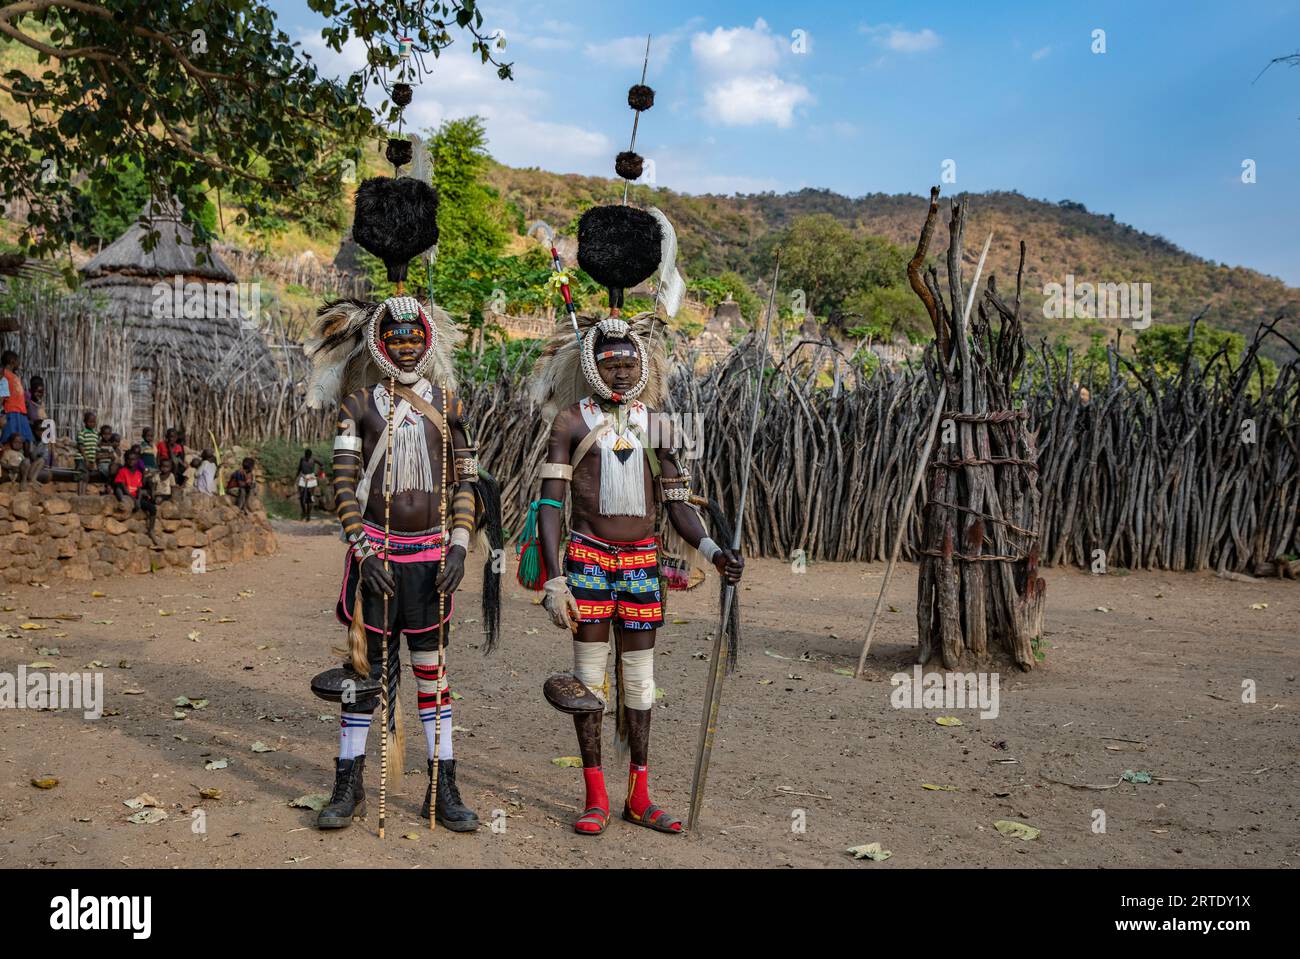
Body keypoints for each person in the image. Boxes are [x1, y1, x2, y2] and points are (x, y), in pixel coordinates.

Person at [521, 174, 740, 836]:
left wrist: (710, 549)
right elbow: (552, 505)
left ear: (642, 364)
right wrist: (556, 575)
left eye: (629, 361)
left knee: (640, 682)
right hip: (587, 559)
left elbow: (677, 504)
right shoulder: (568, 421)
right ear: (591, 362)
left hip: (643, 561)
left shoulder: (660, 422)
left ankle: (639, 794)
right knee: (590, 676)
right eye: (610, 360)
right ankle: (594, 794)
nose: (620, 369)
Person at [303, 293, 502, 833]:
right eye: (397, 337)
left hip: (432, 558)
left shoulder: (450, 403)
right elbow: (343, 484)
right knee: (363, 673)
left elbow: (466, 482)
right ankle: (349, 787)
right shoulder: (359, 405)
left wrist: (460, 545)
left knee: (431, 675)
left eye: (417, 337)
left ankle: (444, 789)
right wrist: (363, 553)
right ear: (381, 342)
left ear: (428, 341)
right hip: (375, 555)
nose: (408, 345)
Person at [113, 448, 157, 541]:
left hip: (135, 496)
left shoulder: (138, 473)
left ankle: (151, 530)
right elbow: (123, 488)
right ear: (126, 460)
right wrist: (133, 499)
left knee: (152, 508)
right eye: (129, 459)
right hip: (127, 496)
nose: (131, 461)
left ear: (137, 460)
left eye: (133, 459)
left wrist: (138, 500)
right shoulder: (123, 471)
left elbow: (139, 489)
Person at [0, 350, 33, 448]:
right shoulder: (4, 374)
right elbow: (2, 395)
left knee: (26, 439)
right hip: (11, 411)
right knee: (10, 439)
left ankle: (25, 460)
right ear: (12, 361)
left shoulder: (13, 375)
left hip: (20, 412)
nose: (19, 363)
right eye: (18, 361)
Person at [76, 411, 99, 496]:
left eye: (94, 422)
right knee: (82, 476)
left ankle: (83, 494)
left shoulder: (96, 434)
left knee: (86, 477)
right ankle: (80, 494)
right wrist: (85, 458)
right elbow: (80, 446)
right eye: (90, 422)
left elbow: (95, 448)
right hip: (82, 458)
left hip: (90, 459)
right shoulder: (82, 433)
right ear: (85, 422)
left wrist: (93, 460)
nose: (92, 424)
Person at [296, 447, 320, 520]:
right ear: (305, 455)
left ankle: (308, 515)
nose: (307, 457)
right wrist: (296, 476)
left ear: (310, 455)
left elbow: (322, 465)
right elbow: (299, 468)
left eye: (308, 456)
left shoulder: (314, 459)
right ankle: (304, 512)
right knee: (301, 497)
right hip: (303, 478)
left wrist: (316, 474)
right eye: (306, 456)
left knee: (311, 498)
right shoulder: (302, 459)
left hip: (311, 478)